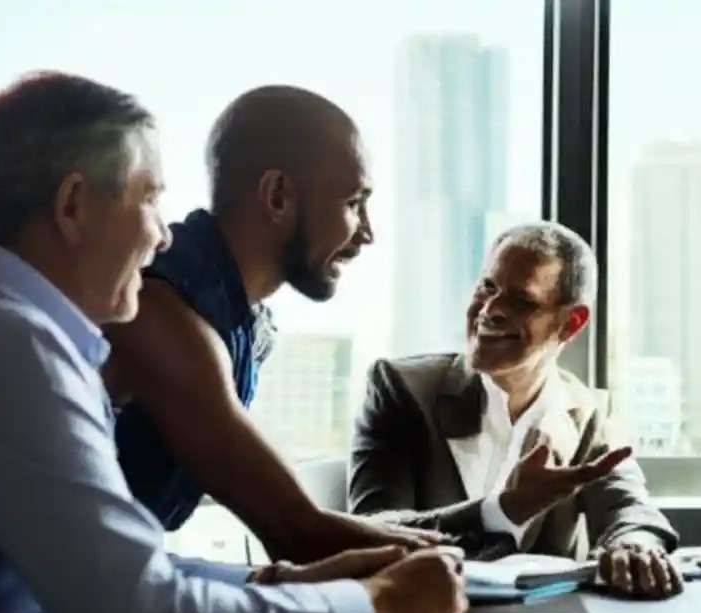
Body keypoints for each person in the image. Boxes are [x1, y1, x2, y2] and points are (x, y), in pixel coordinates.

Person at [0, 72, 466, 613]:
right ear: (74, 207)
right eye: (149, 200)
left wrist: (273, 583)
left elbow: (119, 573)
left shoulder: (7, 334)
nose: (161, 237)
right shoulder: (9, 347)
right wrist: (376, 607)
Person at [102, 85, 445, 563]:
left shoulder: (239, 317)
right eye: (353, 203)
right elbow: (296, 530)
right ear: (277, 195)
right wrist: (463, 564)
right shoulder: (163, 314)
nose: (367, 232)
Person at [348, 221, 682, 598]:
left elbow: (632, 509)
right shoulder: (402, 389)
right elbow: (371, 529)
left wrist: (633, 545)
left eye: (521, 301)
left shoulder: (586, 413)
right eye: (487, 288)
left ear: (571, 323)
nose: (490, 310)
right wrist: (502, 509)